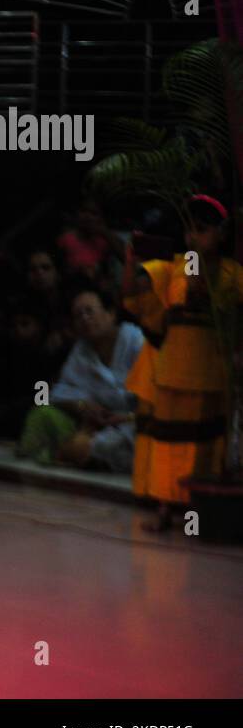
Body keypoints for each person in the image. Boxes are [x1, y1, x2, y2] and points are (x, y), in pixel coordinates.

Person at [123, 194, 243, 531]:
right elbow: (132, 292)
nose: (193, 236)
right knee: (168, 444)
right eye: (189, 229)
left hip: (212, 373)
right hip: (174, 372)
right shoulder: (173, 268)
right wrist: (131, 261)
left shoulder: (232, 274)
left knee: (203, 446)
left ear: (221, 233)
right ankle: (164, 509)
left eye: (202, 229)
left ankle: (197, 511)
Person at [17, 285, 142, 472]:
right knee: (42, 414)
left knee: (119, 442)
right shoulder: (81, 351)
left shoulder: (137, 343)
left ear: (110, 314)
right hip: (96, 424)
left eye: (89, 312)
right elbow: (61, 393)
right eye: (78, 315)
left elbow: (156, 402)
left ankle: (76, 453)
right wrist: (84, 407)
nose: (84, 319)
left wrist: (124, 418)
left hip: (135, 424)